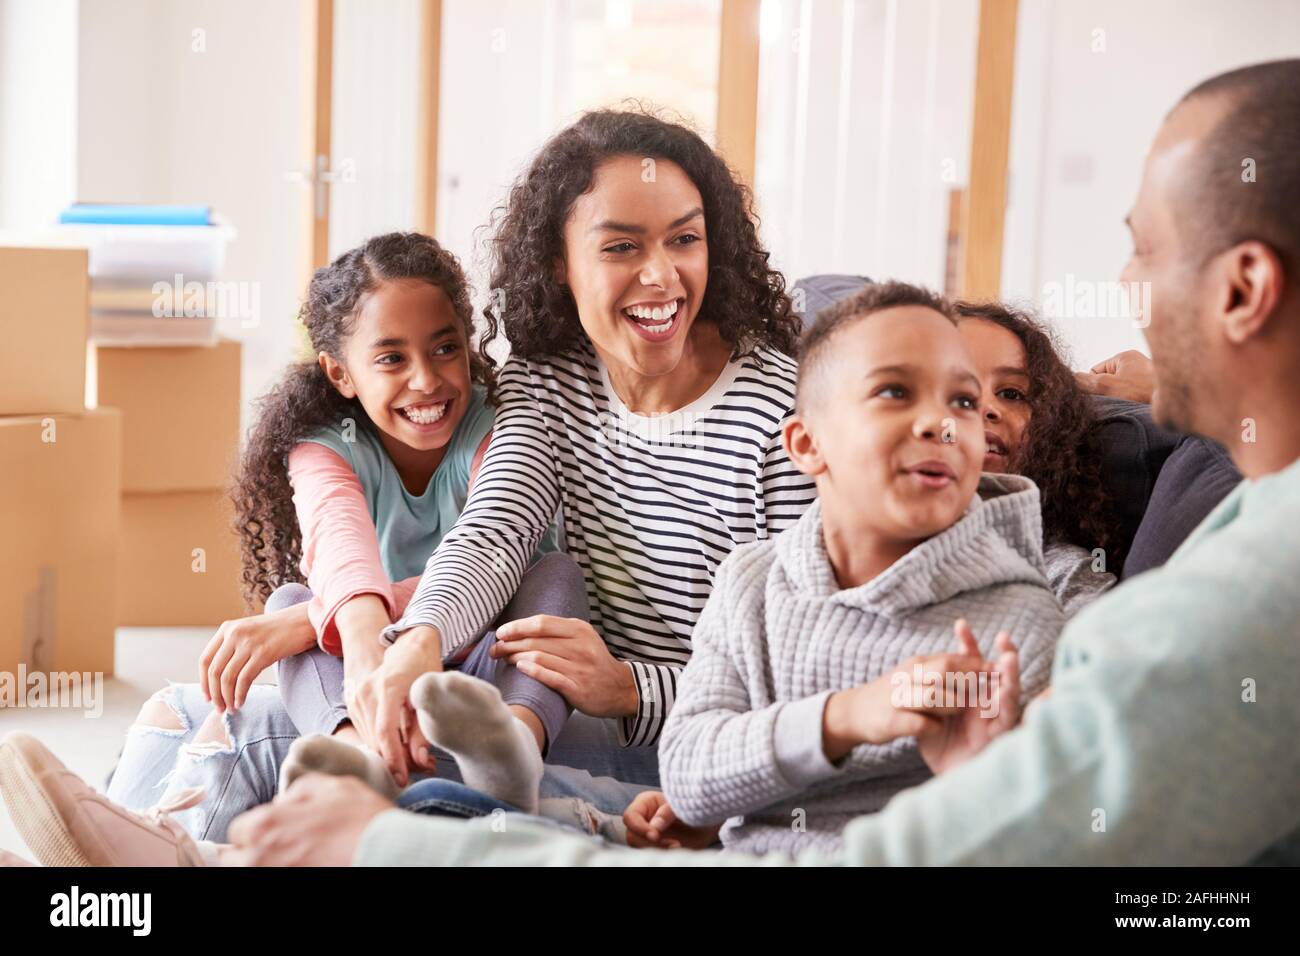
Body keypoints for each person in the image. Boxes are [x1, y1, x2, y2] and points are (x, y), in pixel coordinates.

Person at [228, 58, 1300, 867]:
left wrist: (392, 838)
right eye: (619, 245)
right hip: (672, 744)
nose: (1121, 282)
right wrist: (407, 644)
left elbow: (865, 801)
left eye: (1145, 251)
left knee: (441, 805)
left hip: (669, 742)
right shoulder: (556, 399)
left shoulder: (1065, 614)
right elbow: (496, 533)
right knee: (285, 690)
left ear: (1246, 288)